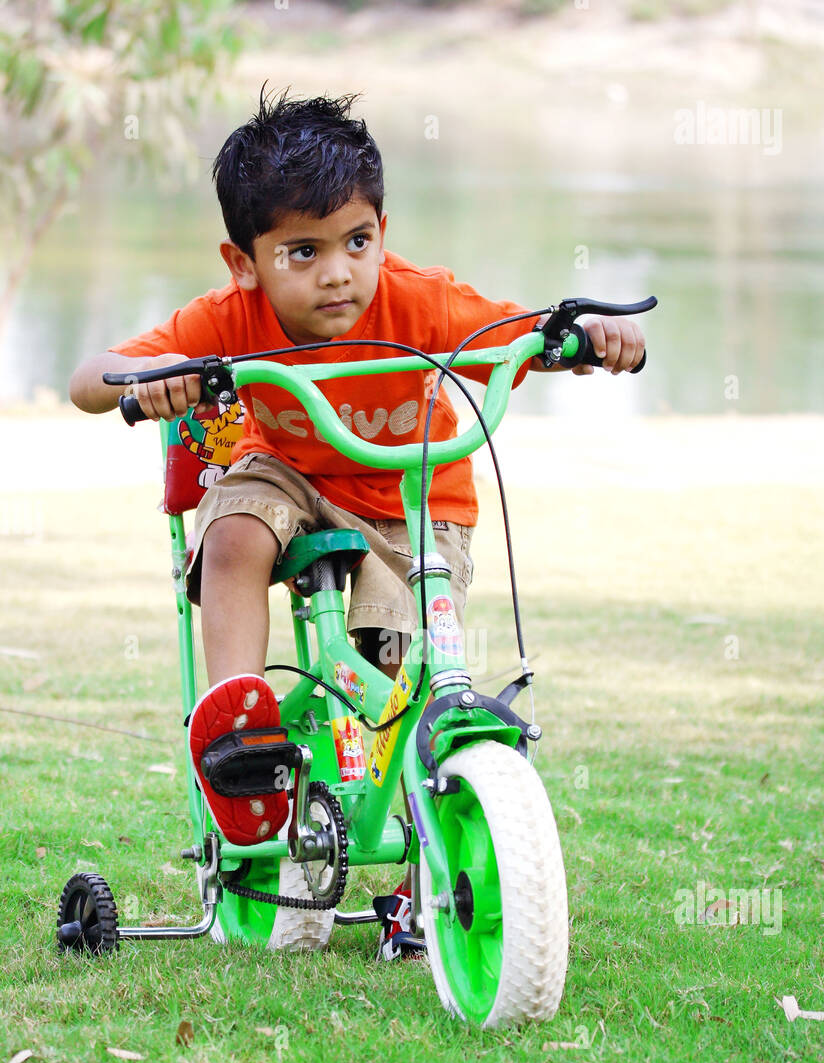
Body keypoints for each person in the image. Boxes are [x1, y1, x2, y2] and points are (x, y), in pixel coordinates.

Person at [69, 87, 646, 960]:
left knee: (395, 686)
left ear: (384, 228)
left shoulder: (425, 304)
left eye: (357, 242)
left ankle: (416, 897)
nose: (337, 272)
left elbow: (522, 331)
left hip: (412, 505)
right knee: (232, 532)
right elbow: (88, 378)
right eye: (301, 252)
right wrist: (154, 377)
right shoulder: (229, 319)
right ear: (244, 261)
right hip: (288, 477)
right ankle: (239, 729)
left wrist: (586, 334)